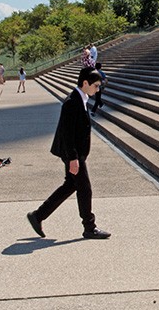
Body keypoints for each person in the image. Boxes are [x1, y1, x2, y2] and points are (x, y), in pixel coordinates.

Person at [26, 67, 111, 240]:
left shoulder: (81, 99)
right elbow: (67, 133)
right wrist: (73, 158)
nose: (98, 89)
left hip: (76, 153)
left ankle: (38, 215)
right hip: (73, 153)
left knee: (71, 185)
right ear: (85, 83)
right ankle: (89, 227)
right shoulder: (72, 102)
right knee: (85, 189)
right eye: (95, 85)